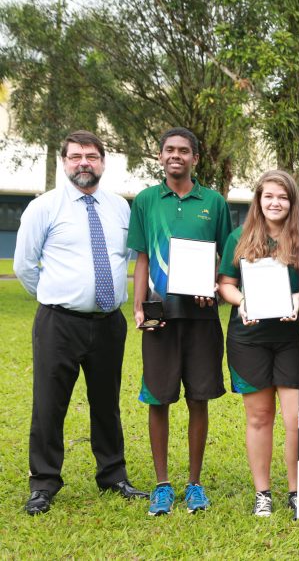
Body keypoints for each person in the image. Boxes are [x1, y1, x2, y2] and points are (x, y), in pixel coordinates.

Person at [14, 130, 148, 515]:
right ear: (64, 162)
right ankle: (44, 483)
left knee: (106, 402)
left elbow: (130, 258)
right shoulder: (44, 207)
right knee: (49, 403)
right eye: (75, 157)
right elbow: (24, 265)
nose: (83, 162)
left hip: (109, 321)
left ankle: (113, 475)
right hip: (59, 322)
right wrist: (59, 296)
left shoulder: (121, 207)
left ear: (103, 162)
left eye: (91, 155)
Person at [128, 127, 232, 516]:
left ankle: (195, 484)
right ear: (160, 157)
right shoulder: (146, 201)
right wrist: (138, 306)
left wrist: (214, 286)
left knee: (198, 397)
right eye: (170, 150)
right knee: (158, 397)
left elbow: (225, 259)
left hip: (202, 317)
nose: (176, 155)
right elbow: (140, 258)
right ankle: (162, 485)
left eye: (184, 150)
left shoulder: (215, 202)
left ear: (195, 159)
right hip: (160, 316)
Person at [217, 170, 299, 517]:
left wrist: (298, 299)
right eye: (268, 196)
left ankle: (297, 491)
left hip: (292, 338)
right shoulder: (239, 236)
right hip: (249, 338)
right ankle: (262, 493)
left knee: (296, 419)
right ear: (259, 200)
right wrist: (242, 303)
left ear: (291, 202)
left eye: (282, 197)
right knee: (259, 417)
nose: (275, 203)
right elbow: (226, 284)